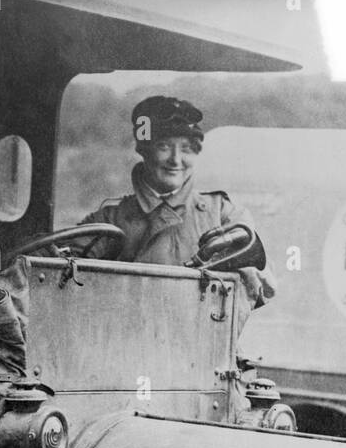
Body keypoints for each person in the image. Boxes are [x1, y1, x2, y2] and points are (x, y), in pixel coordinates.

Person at [75, 95, 274, 310]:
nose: (176, 160)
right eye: (164, 146)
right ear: (144, 150)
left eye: (186, 148)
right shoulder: (109, 219)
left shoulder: (222, 213)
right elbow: (62, 270)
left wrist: (249, 276)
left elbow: (261, 287)